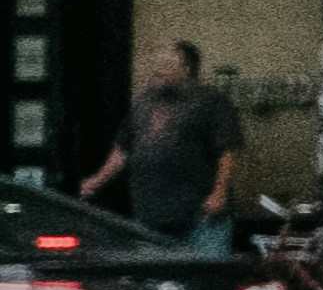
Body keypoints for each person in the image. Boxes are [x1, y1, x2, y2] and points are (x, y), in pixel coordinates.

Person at [83, 40, 243, 257]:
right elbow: (123, 149)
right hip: (151, 211)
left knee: (205, 277)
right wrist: (97, 180)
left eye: (166, 65)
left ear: (186, 69)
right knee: (156, 281)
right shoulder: (145, 102)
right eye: (155, 64)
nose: (156, 70)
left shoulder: (211, 102)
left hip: (199, 213)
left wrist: (219, 192)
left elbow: (227, 150)